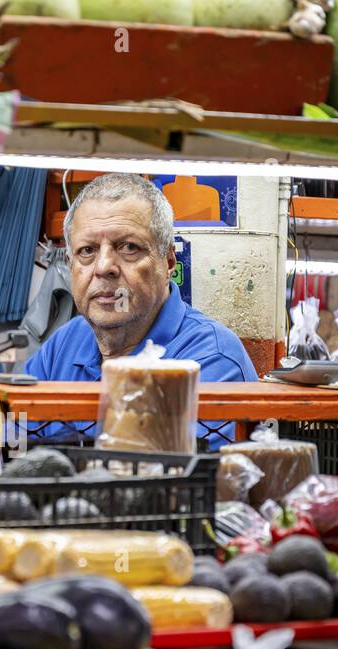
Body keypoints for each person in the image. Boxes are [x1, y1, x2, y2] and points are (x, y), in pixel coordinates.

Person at [25, 174, 258, 448]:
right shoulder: (61, 347)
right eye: (87, 250)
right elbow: (10, 445)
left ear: (168, 261)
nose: (103, 267)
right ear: (70, 264)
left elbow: (180, 483)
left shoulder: (210, 361)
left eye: (128, 248)